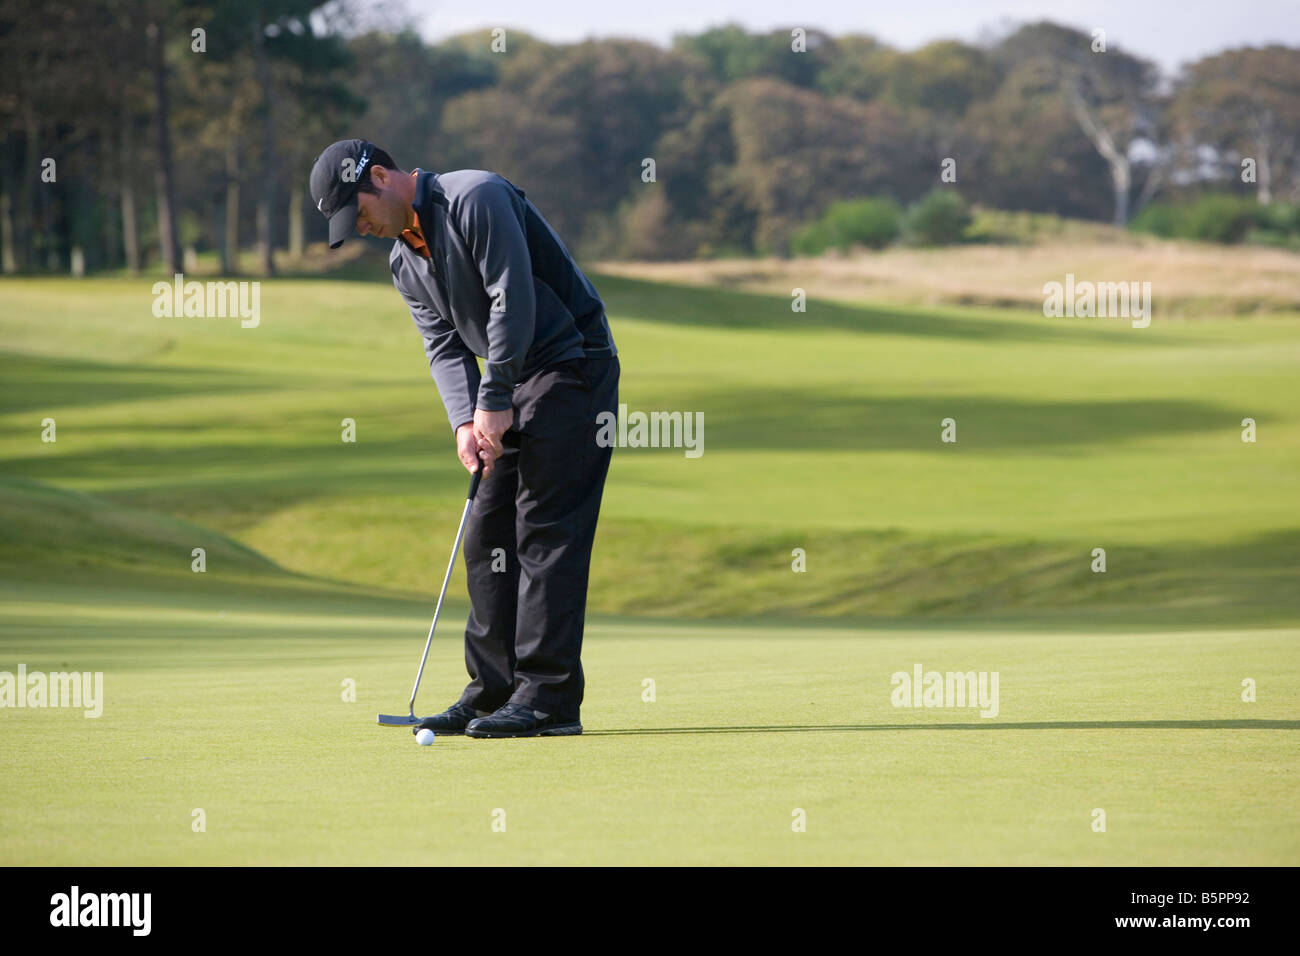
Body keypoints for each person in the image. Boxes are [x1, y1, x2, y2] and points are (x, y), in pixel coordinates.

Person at [310, 139, 618, 738]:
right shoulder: (404, 261)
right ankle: (492, 690)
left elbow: (512, 297)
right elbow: (445, 344)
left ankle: (549, 699)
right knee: (486, 532)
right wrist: (464, 419)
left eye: (360, 211)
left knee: (544, 530)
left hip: (570, 364)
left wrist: (495, 395)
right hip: (510, 381)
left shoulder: (475, 196)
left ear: (380, 176)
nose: (364, 229)